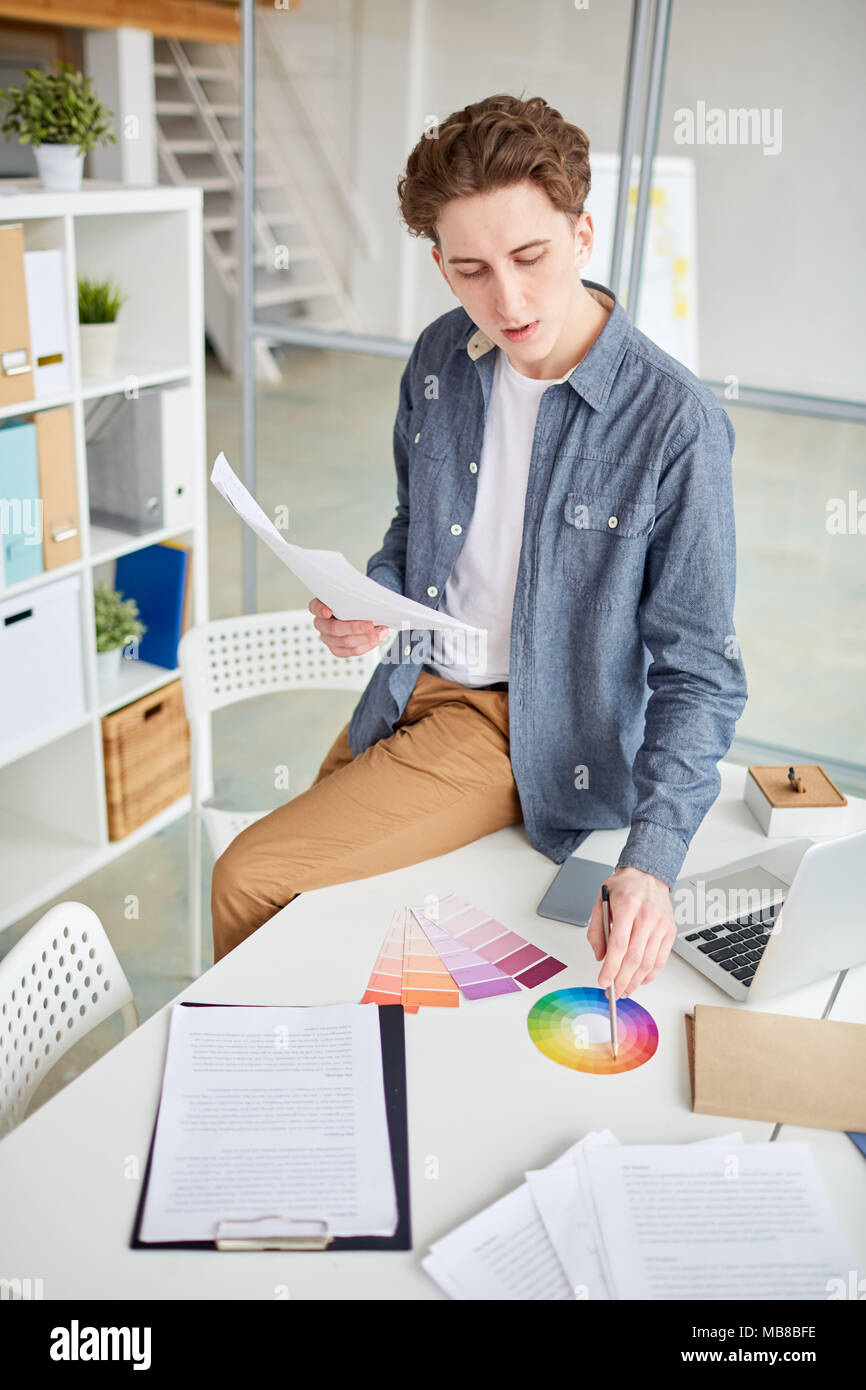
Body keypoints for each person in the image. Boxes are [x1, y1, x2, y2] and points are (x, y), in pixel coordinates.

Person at [211, 93, 748, 993]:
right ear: (440, 265)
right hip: (401, 684)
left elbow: (701, 671)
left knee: (252, 876)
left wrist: (652, 862)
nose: (505, 299)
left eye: (530, 257)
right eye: (470, 270)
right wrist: (369, 597)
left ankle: (258, 1089)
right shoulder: (437, 360)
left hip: (508, 724)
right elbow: (413, 528)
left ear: (583, 234)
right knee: (315, 921)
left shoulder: (673, 422)